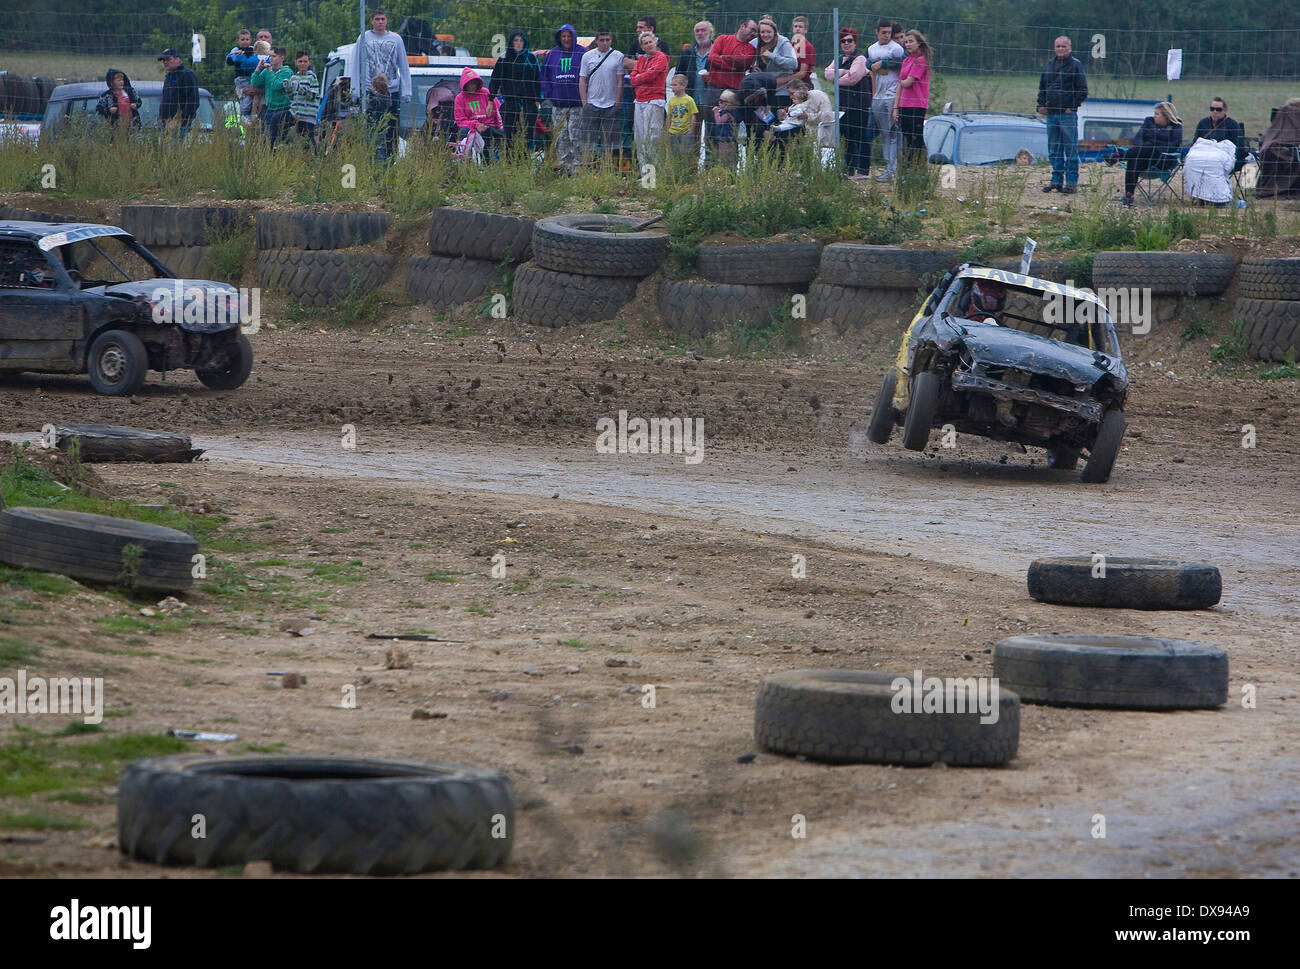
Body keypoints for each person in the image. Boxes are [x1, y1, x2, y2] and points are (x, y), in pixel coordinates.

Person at [1037, 36, 1087, 194]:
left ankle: (1071, 182)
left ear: (1070, 48)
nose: (1060, 49)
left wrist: (1071, 107)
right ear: (1054, 48)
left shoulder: (1076, 65)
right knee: (1054, 149)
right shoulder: (1049, 66)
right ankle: (1056, 181)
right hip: (1051, 114)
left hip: (1067, 115)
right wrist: (1040, 105)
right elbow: (1042, 87)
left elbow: (1082, 90)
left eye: (1063, 46)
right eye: (1058, 46)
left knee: (1070, 149)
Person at [1111, 101, 1182, 207]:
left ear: (1166, 116)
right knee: (1136, 158)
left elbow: (1173, 146)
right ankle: (1129, 195)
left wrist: (1153, 146)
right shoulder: (1149, 121)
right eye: (1154, 113)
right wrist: (1145, 148)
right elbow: (1138, 139)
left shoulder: (1176, 126)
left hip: (1163, 159)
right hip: (1143, 158)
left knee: (1148, 146)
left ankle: (1119, 156)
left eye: (1157, 114)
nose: (1154, 116)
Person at [825, 27, 872, 178]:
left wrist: (837, 77)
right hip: (843, 105)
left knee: (859, 137)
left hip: (859, 104)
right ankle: (848, 170)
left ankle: (863, 171)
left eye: (849, 40)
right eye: (843, 41)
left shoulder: (860, 59)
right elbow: (827, 73)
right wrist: (844, 72)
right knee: (846, 137)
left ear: (855, 42)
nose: (846, 43)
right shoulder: (838, 58)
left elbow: (853, 78)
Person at [542, 24, 587, 173]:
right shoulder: (552, 54)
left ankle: (577, 168)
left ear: (574, 37)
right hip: (559, 104)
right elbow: (544, 76)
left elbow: (589, 75)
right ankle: (563, 166)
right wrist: (550, 94)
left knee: (576, 135)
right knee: (561, 136)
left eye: (569, 36)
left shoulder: (582, 53)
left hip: (577, 104)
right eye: (563, 36)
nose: (566, 39)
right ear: (559, 38)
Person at [867, 18, 905, 181]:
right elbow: (867, 63)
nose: (886, 35)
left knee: (895, 132)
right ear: (877, 32)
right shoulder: (872, 48)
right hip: (879, 95)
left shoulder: (896, 48)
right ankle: (888, 169)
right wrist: (871, 65)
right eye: (883, 32)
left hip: (892, 94)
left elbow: (902, 63)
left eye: (889, 32)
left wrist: (883, 63)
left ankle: (896, 169)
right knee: (884, 134)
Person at [579, 28, 624, 165]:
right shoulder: (587, 56)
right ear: (596, 41)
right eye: (602, 40)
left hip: (610, 104)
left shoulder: (618, 56)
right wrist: (584, 102)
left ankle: (606, 170)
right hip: (592, 103)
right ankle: (587, 169)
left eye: (608, 40)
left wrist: (617, 101)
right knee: (588, 141)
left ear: (611, 40)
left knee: (609, 141)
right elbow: (582, 80)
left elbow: (620, 80)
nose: (605, 43)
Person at [493, 28, 542, 152]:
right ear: (511, 42)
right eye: (516, 40)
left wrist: (538, 100)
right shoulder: (504, 58)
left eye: (521, 40)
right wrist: (490, 99)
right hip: (510, 102)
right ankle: (510, 164)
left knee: (527, 135)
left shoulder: (531, 58)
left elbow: (538, 79)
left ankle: (526, 162)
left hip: (529, 104)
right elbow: (495, 80)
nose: (519, 43)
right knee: (510, 135)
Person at [350, 10, 411, 109]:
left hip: (391, 90)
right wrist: (354, 91)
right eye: (377, 19)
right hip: (370, 89)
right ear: (372, 21)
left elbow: (404, 66)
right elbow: (356, 65)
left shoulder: (396, 39)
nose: (380, 22)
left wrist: (406, 92)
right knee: (371, 121)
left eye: (383, 19)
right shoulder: (363, 38)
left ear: (386, 21)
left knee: (391, 121)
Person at [629, 31, 668, 170]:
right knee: (639, 138)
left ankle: (654, 175)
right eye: (645, 43)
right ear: (642, 47)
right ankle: (644, 174)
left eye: (650, 41)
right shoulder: (641, 60)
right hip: (639, 100)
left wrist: (640, 76)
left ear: (655, 42)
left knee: (652, 138)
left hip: (654, 100)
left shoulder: (661, 57)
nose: (649, 44)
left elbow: (652, 75)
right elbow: (632, 79)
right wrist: (641, 76)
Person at [893, 29, 931, 170]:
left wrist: (901, 80)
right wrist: (895, 107)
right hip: (904, 104)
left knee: (916, 137)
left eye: (911, 41)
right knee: (906, 137)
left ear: (918, 43)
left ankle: (919, 167)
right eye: (906, 42)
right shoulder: (907, 61)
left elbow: (908, 82)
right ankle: (908, 167)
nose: (908, 44)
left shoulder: (921, 61)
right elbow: (901, 86)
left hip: (917, 104)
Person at [707, 19, 757, 110]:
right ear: (742, 26)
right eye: (752, 29)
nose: (753, 33)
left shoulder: (751, 49)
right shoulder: (722, 39)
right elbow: (712, 58)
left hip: (733, 92)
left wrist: (724, 57)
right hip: (714, 89)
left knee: (729, 121)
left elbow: (744, 63)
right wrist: (733, 67)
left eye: (755, 31)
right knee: (711, 119)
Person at [751, 16, 798, 109]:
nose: (765, 35)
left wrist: (772, 56)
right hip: (761, 92)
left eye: (769, 32)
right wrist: (752, 68)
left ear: (774, 32)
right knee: (762, 122)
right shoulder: (753, 43)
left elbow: (793, 64)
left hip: (781, 92)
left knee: (779, 120)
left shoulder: (784, 43)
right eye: (762, 32)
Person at [252, 46, 294, 146]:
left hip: (282, 109)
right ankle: (270, 153)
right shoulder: (267, 71)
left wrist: (270, 71)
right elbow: (255, 82)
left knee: (280, 137)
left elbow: (276, 85)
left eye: (274, 56)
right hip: (270, 108)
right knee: (267, 136)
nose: (270, 58)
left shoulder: (286, 72)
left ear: (282, 58)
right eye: (269, 56)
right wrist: (258, 69)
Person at [1193, 96, 1247, 172]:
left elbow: (1239, 147)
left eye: (1218, 109)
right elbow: (1195, 143)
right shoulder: (1202, 123)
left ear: (1225, 110)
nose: (1215, 111)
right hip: (1203, 157)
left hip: (1224, 159)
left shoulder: (1233, 125)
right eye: (1212, 109)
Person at [158, 48, 198, 138]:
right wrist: (161, 117)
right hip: (165, 124)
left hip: (179, 126)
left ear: (178, 59)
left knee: (175, 150)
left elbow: (193, 101)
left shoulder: (187, 75)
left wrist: (180, 120)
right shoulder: (169, 77)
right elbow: (165, 100)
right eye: (163, 60)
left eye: (168, 59)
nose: (165, 62)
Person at [95, 69, 142, 139]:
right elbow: (99, 108)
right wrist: (109, 110)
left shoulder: (130, 92)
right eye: (118, 80)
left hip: (133, 128)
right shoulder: (106, 95)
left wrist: (136, 105)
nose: (121, 82)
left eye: (122, 80)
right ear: (111, 83)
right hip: (114, 130)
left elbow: (139, 101)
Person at [666, 73, 698, 166]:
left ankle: (686, 173)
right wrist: (668, 130)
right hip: (673, 131)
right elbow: (669, 116)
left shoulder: (689, 100)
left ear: (683, 86)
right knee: (674, 154)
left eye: (675, 85)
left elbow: (693, 115)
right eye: (671, 85)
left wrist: (691, 131)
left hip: (685, 132)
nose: (673, 87)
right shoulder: (671, 100)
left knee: (686, 155)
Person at [225, 29, 260, 116]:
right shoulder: (236, 50)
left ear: (251, 40)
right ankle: (244, 112)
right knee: (246, 95)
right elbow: (229, 60)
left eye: (247, 39)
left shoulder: (253, 49)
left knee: (254, 94)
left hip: (252, 76)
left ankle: (252, 111)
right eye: (242, 39)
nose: (245, 42)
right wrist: (236, 56)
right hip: (241, 78)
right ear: (238, 41)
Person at [287, 51, 319, 142]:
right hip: (296, 114)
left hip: (308, 115)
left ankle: (315, 155)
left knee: (308, 139)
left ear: (309, 62)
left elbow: (313, 95)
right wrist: (288, 88)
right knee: (299, 138)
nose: (303, 64)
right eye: (300, 61)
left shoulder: (312, 77)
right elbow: (290, 97)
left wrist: (299, 88)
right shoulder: (293, 77)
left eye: (305, 61)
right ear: (296, 62)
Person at [368, 73, 401, 161]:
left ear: (375, 88)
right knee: (380, 147)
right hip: (383, 127)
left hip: (375, 127)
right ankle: (381, 164)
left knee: (376, 148)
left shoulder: (376, 100)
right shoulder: (387, 98)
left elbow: (369, 108)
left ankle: (379, 165)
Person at [788, 16, 816, 107]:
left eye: (800, 27)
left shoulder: (807, 47)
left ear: (806, 30)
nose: (797, 29)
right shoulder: (789, 44)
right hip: (790, 83)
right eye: (795, 26)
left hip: (803, 84)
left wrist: (783, 80)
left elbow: (802, 73)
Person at [711, 89, 741, 166]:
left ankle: (727, 168)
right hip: (726, 138)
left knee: (725, 156)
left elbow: (719, 121)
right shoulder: (732, 112)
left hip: (725, 139)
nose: (719, 103)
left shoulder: (727, 113)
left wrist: (716, 112)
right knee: (726, 155)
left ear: (728, 103)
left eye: (721, 101)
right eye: (719, 100)